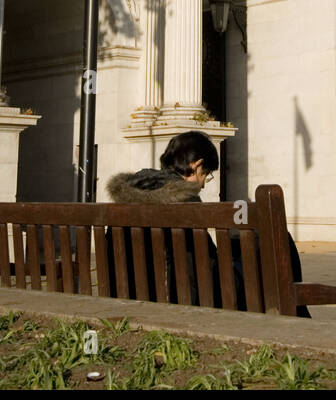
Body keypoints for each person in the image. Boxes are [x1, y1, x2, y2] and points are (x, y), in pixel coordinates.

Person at [104, 132, 310, 316]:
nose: (202, 185)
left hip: (132, 292)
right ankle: (298, 312)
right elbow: (207, 264)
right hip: (194, 296)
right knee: (275, 237)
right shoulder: (184, 200)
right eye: (206, 175)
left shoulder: (126, 194)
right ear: (197, 165)